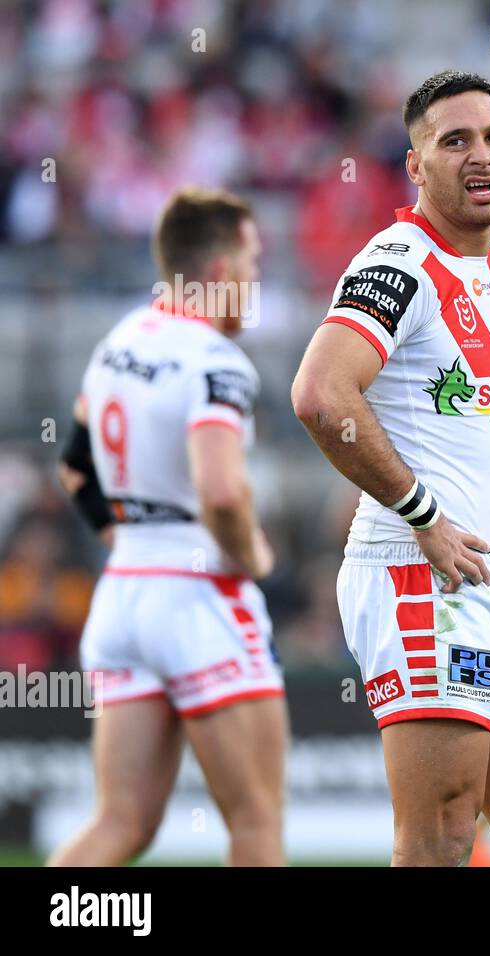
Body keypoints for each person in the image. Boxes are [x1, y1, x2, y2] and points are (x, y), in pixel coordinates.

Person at [291, 71, 490, 867]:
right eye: (453, 141)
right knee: (441, 840)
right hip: (421, 576)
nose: (479, 154)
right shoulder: (399, 259)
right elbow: (320, 393)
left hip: (487, 583)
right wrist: (422, 514)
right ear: (416, 168)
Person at [50, 187, 287, 866]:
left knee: (119, 825)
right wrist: (254, 556)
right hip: (199, 594)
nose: (257, 278)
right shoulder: (216, 361)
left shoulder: (120, 340)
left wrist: (126, 540)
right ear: (218, 272)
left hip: (123, 592)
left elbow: (73, 470)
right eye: (252, 259)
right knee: (256, 822)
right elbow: (219, 490)